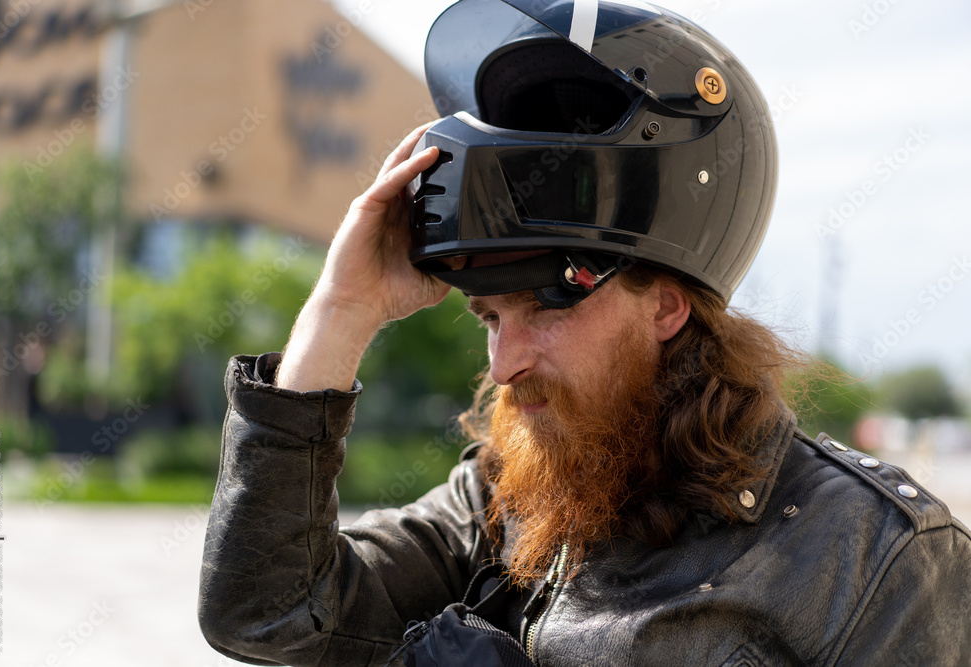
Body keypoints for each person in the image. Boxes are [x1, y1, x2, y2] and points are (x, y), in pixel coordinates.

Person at [198, 1, 971, 665]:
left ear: (666, 306)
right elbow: (270, 611)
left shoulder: (874, 555)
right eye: (490, 318)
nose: (504, 365)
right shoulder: (505, 500)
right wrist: (342, 308)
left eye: (546, 306)